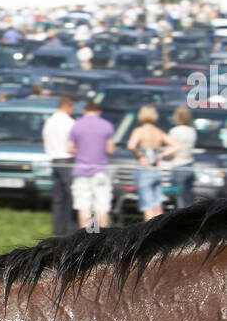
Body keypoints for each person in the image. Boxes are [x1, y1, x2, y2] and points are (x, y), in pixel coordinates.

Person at [126, 106, 181, 223]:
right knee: (157, 205)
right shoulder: (158, 132)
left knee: (147, 205)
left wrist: (140, 156)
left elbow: (131, 145)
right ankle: (159, 230)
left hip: (144, 170)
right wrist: (161, 155)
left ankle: (149, 233)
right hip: (156, 170)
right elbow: (176, 146)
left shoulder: (139, 131)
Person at [68, 101, 116, 231]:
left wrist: (82, 149)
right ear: (98, 111)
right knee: (102, 206)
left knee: (84, 206)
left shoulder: (77, 125)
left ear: (84, 111)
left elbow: (69, 148)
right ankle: (103, 238)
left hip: (81, 170)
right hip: (101, 170)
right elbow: (110, 150)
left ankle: (86, 239)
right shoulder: (107, 125)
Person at [42, 95, 76, 236]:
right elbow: (73, 143)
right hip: (67, 161)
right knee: (71, 197)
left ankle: (58, 229)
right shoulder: (70, 122)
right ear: (68, 106)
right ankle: (70, 228)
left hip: (54, 160)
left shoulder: (49, 122)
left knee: (58, 199)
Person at [162, 105, 197, 209]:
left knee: (178, 198)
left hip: (178, 165)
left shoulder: (174, 131)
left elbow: (171, 150)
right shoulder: (192, 131)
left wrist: (162, 155)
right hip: (190, 164)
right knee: (188, 197)